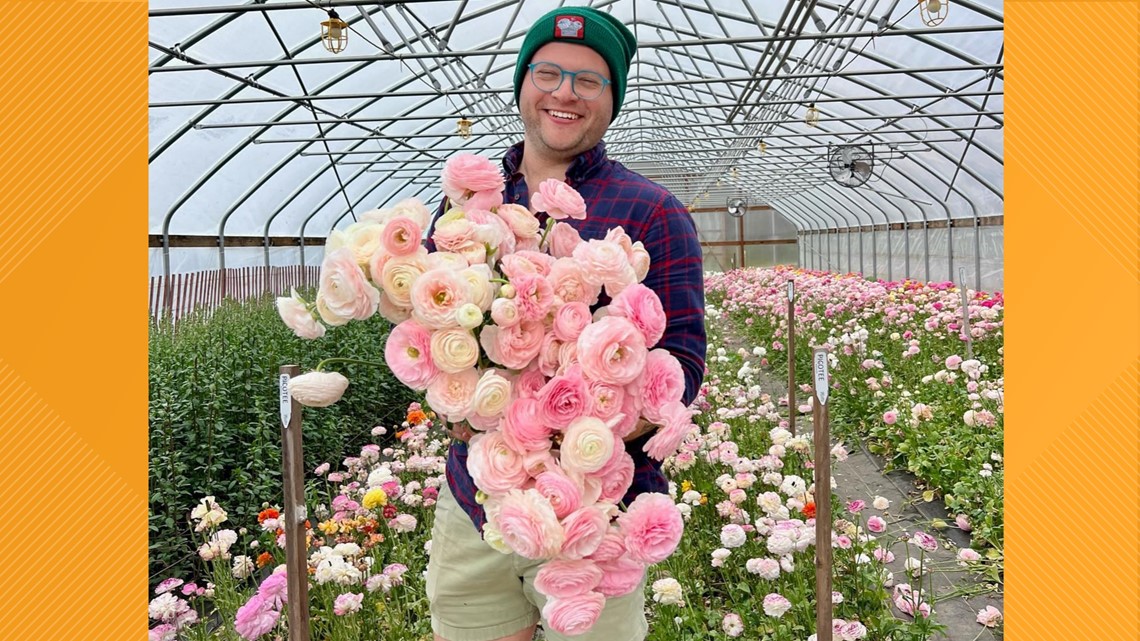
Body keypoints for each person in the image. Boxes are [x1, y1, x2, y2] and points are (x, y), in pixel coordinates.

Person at [424, 7, 706, 641]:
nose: (565, 93)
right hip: (475, 501)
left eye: (589, 81)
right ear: (523, 82)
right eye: (547, 72)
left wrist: (585, 433)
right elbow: (426, 328)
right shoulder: (466, 205)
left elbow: (684, 366)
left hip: (597, 515)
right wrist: (455, 399)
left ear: (613, 101)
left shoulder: (653, 212)